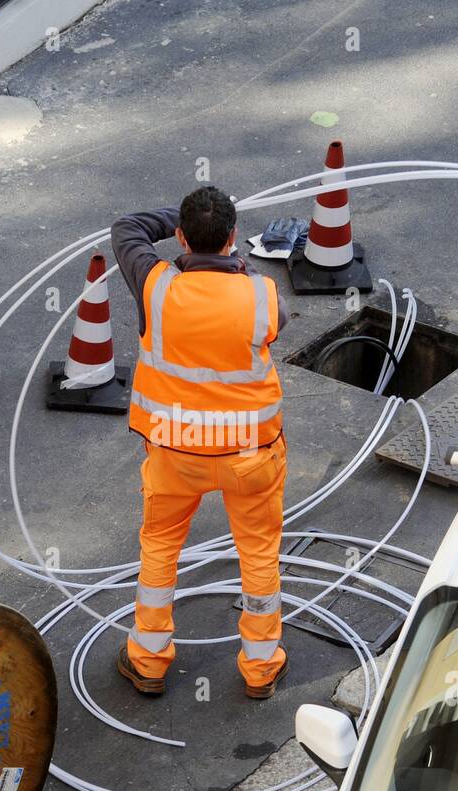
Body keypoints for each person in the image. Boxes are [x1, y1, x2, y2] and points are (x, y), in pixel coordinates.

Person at [110, 186, 291, 699]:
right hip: (249, 457)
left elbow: (128, 228)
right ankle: (260, 668)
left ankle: (148, 660)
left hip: (175, 453)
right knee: (258, 554)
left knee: (161, 547)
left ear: (182, 237)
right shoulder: (261, 294)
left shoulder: (156, 287)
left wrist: (184, 221)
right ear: (234, 238)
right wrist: (214, 224)